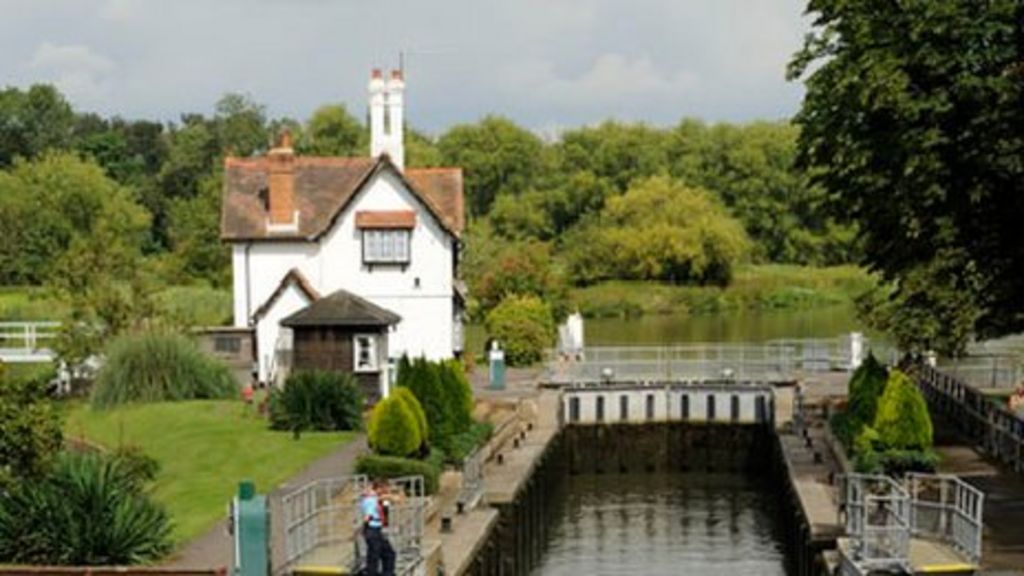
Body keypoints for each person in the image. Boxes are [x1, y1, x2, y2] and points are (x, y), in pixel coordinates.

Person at [360, 480, 396, 576]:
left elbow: (388, 503)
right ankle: (373, 573)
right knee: (374, 555)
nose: (387, 491)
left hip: (377, 529)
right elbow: (368, 515)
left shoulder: (378, 499)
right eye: (385, 489)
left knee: (388, 553)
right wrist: (365, 526)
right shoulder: (371, 500)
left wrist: (388, 498)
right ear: (379, 488)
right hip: (372, 529)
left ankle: (388, 573)